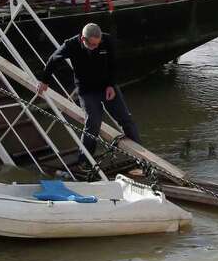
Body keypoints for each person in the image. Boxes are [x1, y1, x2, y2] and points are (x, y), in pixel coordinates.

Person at [36, 23, 140, 163]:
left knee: (125, 118)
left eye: (97, 44)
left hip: (107, 86)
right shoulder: (71, 44)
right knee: (93, 123)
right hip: (87, 90)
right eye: (92, 45)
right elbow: (53, 59)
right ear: (82, 39)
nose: (95, 47)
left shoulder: (107, 41)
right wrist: (44, 81)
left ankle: (141, 159)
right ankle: (85, 161)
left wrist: (111, 85)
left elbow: (113, 64)